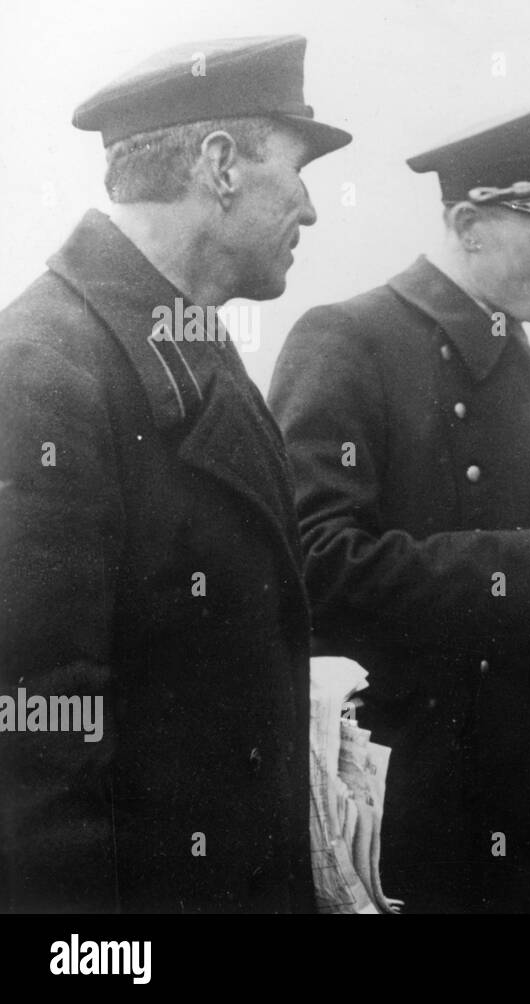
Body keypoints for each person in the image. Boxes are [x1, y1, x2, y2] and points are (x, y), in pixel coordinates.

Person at [0, 35, 350, 912]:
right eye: (298, 169)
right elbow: (33, 742)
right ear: (221, 164)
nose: (310, 210)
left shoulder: (191, 344)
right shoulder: (42, 371)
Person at [269, 89, 530, 913]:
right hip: (412, 795)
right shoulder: (348, 340)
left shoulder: (525, 363)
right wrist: (527, 563)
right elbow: (308, 563)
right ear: (470, 226)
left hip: (528, 790)